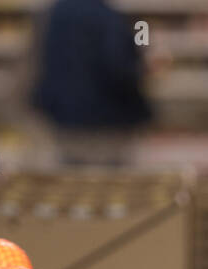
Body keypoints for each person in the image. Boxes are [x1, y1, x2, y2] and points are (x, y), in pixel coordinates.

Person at [33, 0, 151, 163]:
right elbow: (119, 68)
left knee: (70, 179)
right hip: (108, 124)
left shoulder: (53, 14)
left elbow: (39, 65)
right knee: (112, 181)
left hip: (65, 120)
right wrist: (142, 69)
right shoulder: (107, 16)